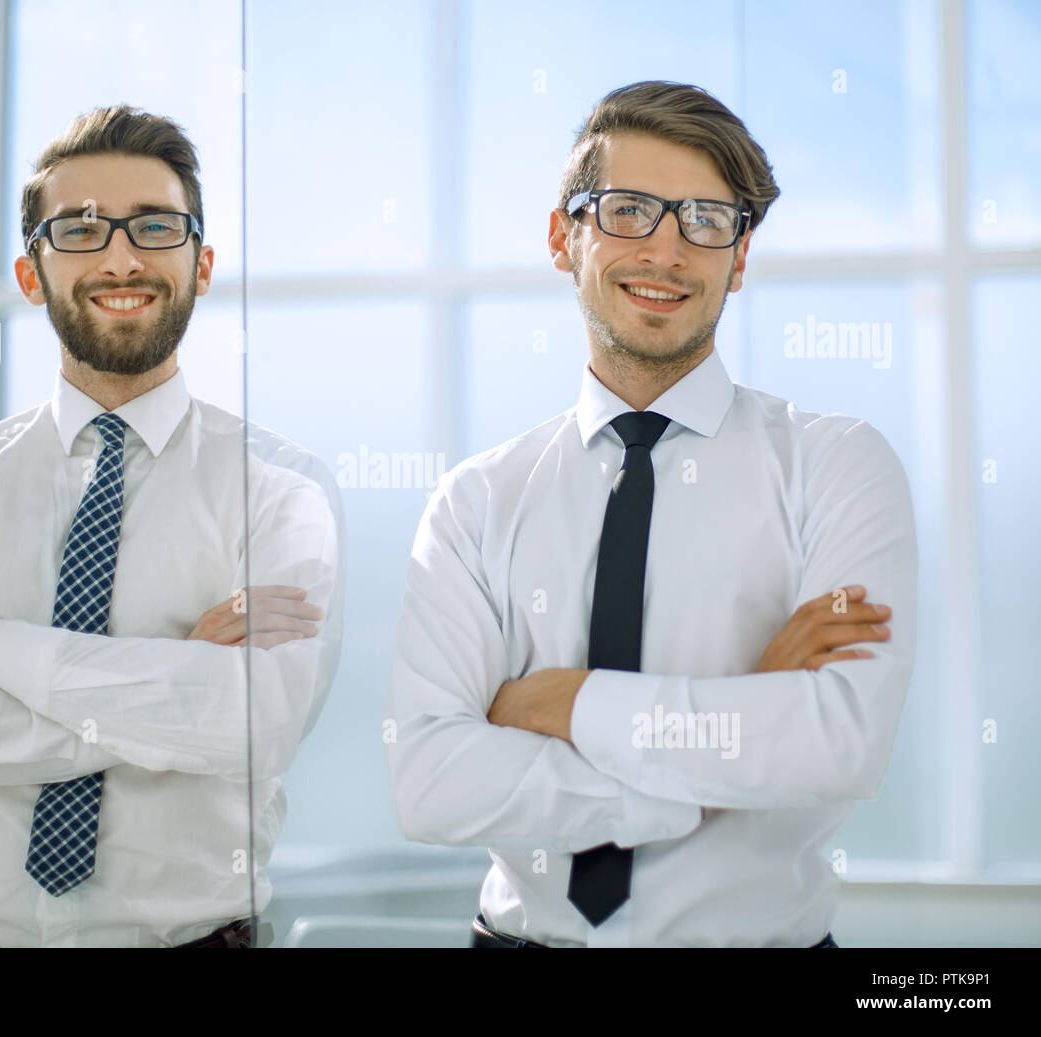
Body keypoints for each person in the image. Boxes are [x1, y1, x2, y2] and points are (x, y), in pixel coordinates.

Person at [384, 81, 917, 948]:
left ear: (738, 257)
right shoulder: (477, 500)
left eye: (707, 219)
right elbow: (432, 781)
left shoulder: (839, 464)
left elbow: (837, 744)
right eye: (630, 210)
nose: (667, 249)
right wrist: (737, 724)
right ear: (565, 236)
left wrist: (564, 701)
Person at [0, 105, 343, 948]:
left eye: (154, 225)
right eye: (78, 230)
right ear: (31, 274)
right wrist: (174, 689)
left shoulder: (284, 490)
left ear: (202, 263)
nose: (120, 256)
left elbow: (253, 726)